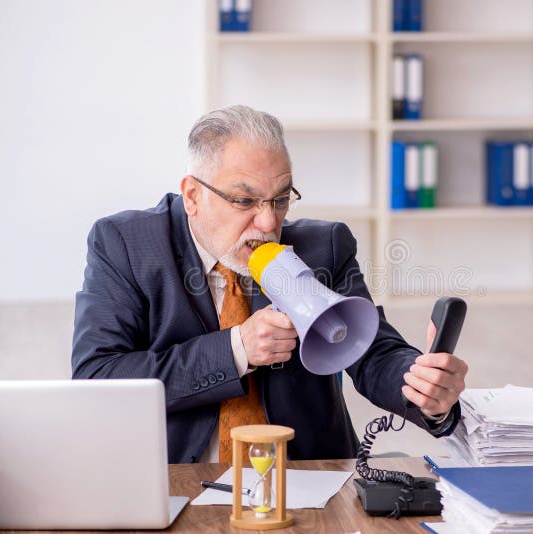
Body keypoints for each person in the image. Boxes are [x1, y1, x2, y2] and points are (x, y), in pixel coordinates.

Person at [72, 105, 468, 463]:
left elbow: (373, 353)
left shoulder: (323, 247)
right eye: (244, 201)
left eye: (280, 199)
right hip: (174, 478)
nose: (268, 223)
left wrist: (421, 386)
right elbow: (98, 379)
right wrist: (237, 349)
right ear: (192, 196)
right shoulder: (125, 244)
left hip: (308, 475)